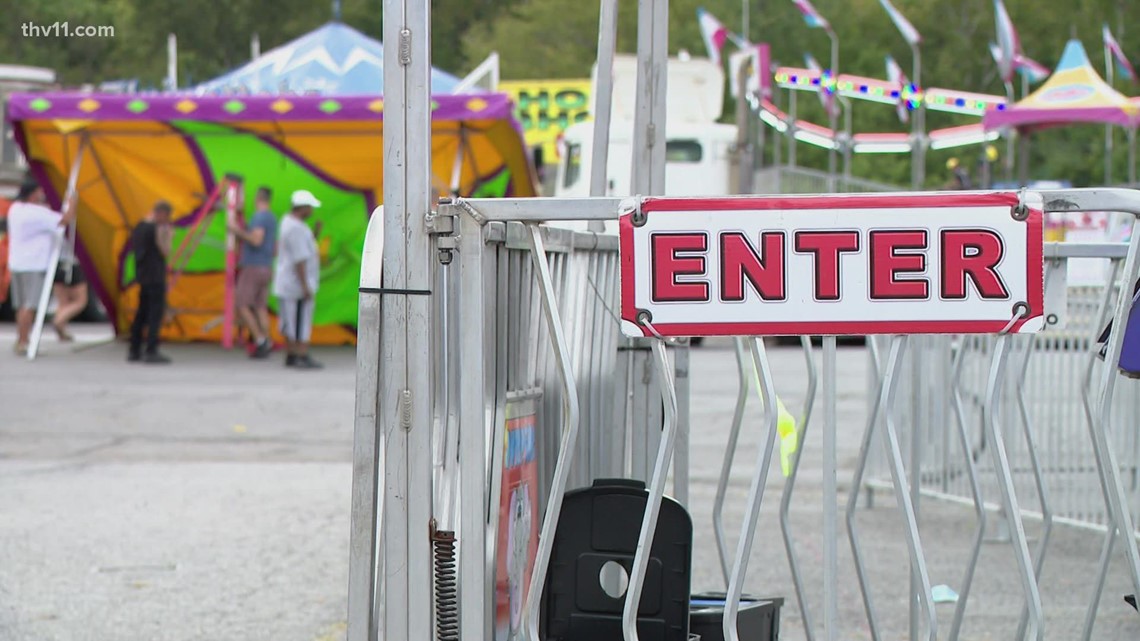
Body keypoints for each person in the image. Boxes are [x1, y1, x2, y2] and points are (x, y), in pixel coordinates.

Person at [6, 177, 75, 355]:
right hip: (33, 265)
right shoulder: (36, 213)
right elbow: (64, 220)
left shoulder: (15, 209)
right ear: (32, 194)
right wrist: (72, 204)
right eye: (39, 191)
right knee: (30, 305)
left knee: (21, 305)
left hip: (17, 263)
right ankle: (23, 341)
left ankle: (22, 338)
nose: (42, 194)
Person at [273, 190, 323, 370]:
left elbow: (304, 250)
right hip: (296, 286)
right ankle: (300, 354)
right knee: (299, 321)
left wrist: (315, 234)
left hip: (289, 284)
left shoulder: (289, 223)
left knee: (290, 321)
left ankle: (292, 354)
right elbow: (300, 259)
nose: (311, 211)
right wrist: (305, 286)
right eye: (309, 207)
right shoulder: (296, 228)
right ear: (302, 208)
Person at [228, 186, 277, 358]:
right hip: (266, 266)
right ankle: (267, 340)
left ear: (258, 198)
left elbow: (256, 240)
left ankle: (260, 340)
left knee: (242, 305)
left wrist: (235, 230)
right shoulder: (271, 217)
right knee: (260, 307)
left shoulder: (260, 216)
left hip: (253, 266)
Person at [128, 200, 174, 364]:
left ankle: (134, 349)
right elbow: (164, 250)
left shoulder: (139, 227)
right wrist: (168, 237)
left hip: (143, 275)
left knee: (141, 314)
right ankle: (151, 350)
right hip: (155, 276)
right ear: (162, 214)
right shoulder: (155, 228)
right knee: (155, 314)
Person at [51, 240, 88, 342]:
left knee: (63, 302)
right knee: (80, 301)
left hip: (57, 262)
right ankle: (58, 320)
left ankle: (62, 332)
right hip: (73, 263)